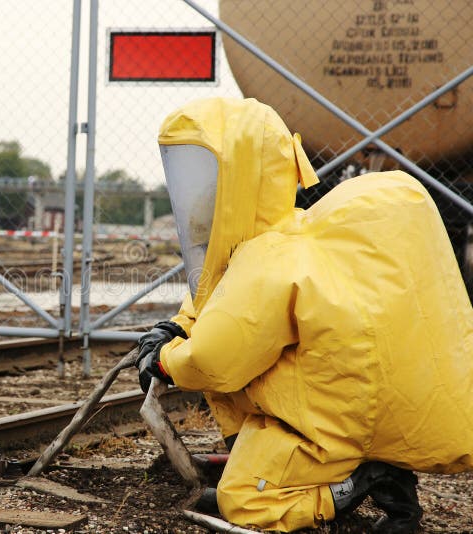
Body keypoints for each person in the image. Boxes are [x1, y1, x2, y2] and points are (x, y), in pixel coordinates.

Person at [135, 97, 473, 533]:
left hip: (328, 420)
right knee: (227, 395)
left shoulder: (269, 259)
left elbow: (214, 359)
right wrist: (179, 327)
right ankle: (303, 466)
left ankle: (356, 480)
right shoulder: (286, 236)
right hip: (333, 401)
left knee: (245, 502)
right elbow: (217, 302)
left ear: (240, 176)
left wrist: (165, 359)